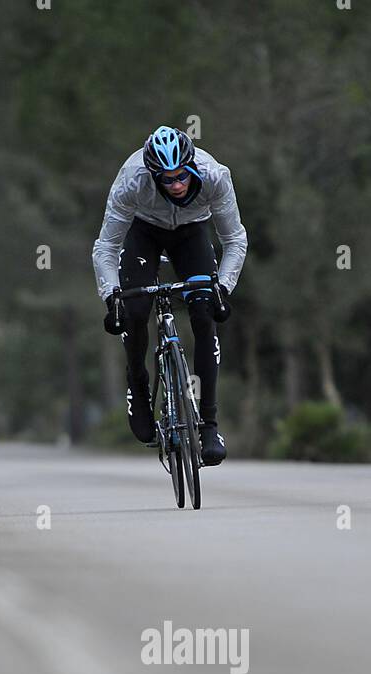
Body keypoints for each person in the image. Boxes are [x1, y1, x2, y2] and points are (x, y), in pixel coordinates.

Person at [93, 125, 247, 465]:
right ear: (153, 175)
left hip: (192, 232)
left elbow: (234, 239)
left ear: (192, 166)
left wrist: (222, 286)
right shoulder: (132, 180)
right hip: (143, 231)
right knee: (134, 312)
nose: (176, 184)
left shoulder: (215, 176)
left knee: (205, 315)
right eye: (166, 179)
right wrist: (110, 296)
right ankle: (137, 382)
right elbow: (106, 247)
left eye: (181, 176)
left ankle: (209, 425)